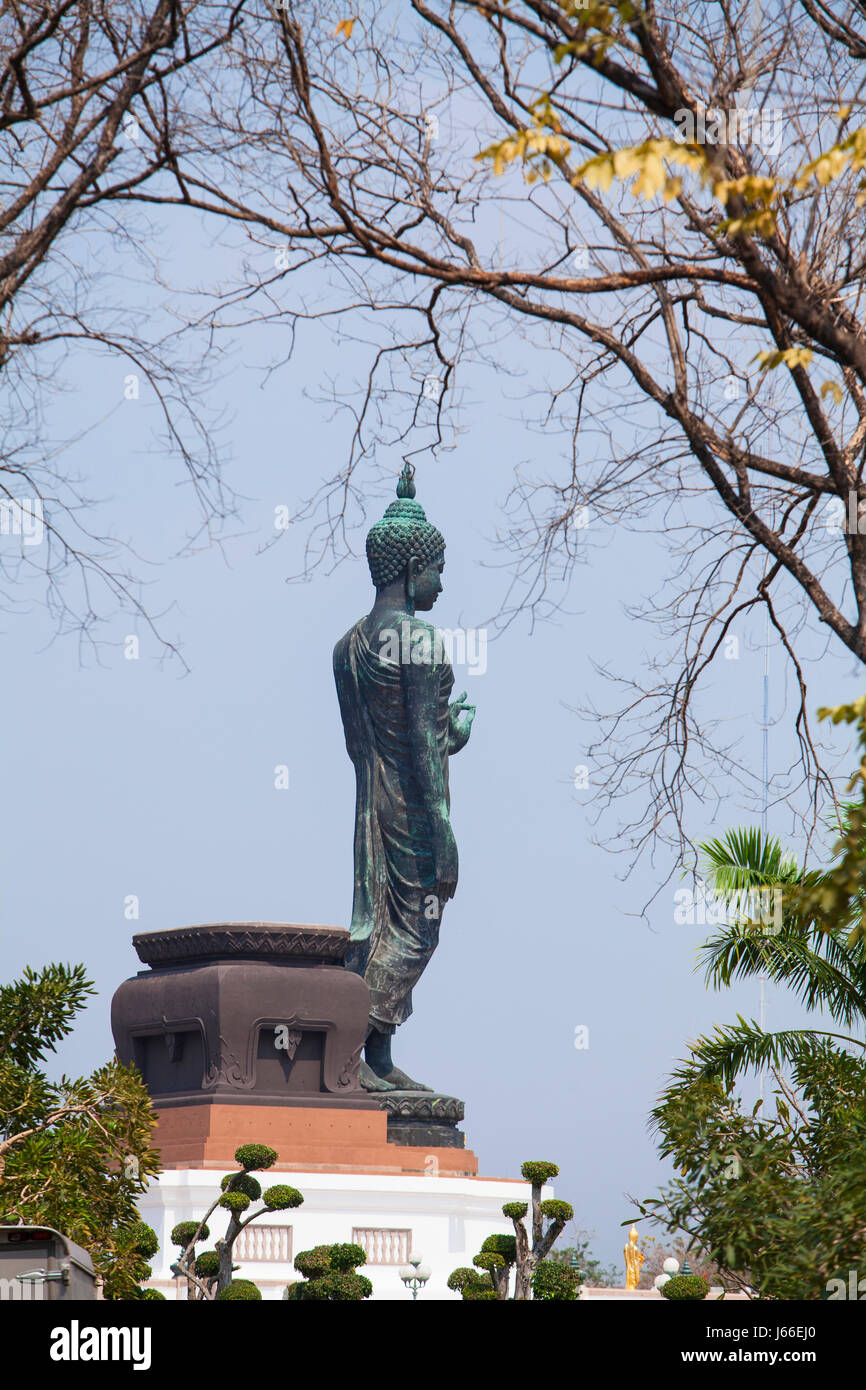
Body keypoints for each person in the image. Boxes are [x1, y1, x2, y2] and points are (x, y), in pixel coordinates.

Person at [333, 465, 475, 1091]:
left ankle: (375, 1058)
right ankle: (351, 1044)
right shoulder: (418, 641)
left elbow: (359, 745)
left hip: (370, 807)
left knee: (378, 923)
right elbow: (420, 749)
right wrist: (442, 831)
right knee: (419, 925)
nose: (442, 586)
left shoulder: (346, 647)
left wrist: (448, 734)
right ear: (413, 565)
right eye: (438, 571)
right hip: (416, 812)